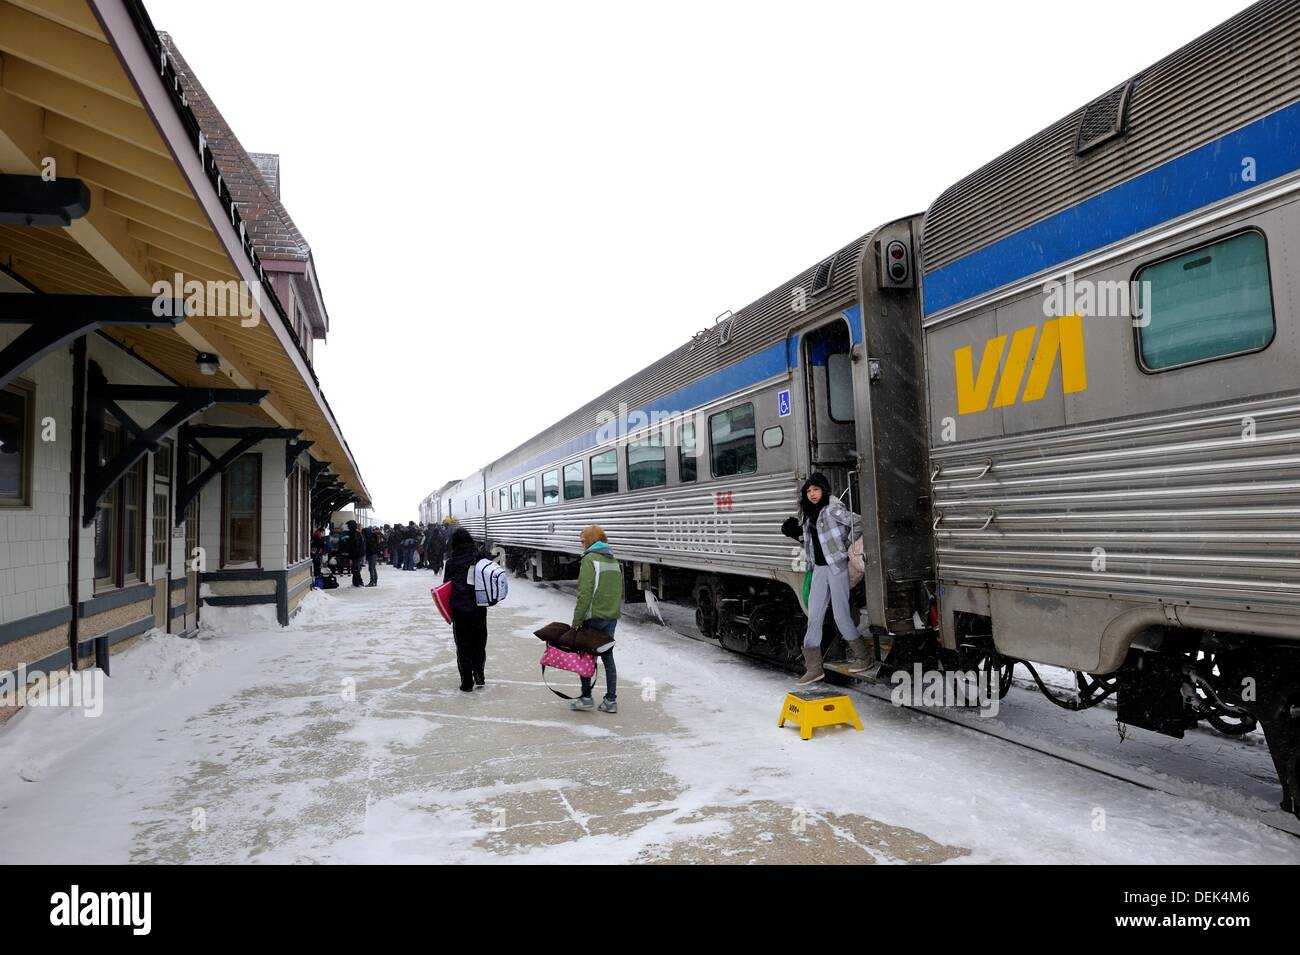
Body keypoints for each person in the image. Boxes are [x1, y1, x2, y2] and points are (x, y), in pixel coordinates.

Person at [781, 472, 869, 684]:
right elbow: (813, 542)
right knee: (814, 616)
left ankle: (863, 658)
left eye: (816, 490)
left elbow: (859, 523)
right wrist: (796, 532)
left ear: (824, 490)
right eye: (808, 491)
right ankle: (814, 668)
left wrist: (845, 547)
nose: (812, 494)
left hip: (836, 566)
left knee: (840, 615)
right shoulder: (809, 513)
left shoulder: (833, 509)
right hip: (819, 568)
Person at [569, 525, 622, 713]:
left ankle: (586, 698)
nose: (582, 544)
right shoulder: (613, 559)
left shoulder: (590, 560)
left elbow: (585, 593)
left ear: (591, 540)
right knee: (608, 657)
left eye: (583, 541)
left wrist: (577, 620)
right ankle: (610, 700)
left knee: (585, 656)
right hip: (611, 617)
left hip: (593, 617)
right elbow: (618, 591)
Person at [443, 527, 488, 691]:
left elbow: (446, 586)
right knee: (479, 642)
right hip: (479, 608)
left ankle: (467, 680)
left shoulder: (451, 563)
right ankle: (479, 673)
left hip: (460, 610)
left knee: (463, 645)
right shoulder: (480, 559)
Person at [346, 520, 366, 587]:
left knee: (355, 568)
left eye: (348, 525)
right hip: (357, 554)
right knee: (356, 568)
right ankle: (357, 582)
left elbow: (355, 544)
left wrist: (351, 551)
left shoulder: (353, 533)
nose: (347, 527)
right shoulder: (355, 533)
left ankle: (357, 582)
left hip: (356, 554)